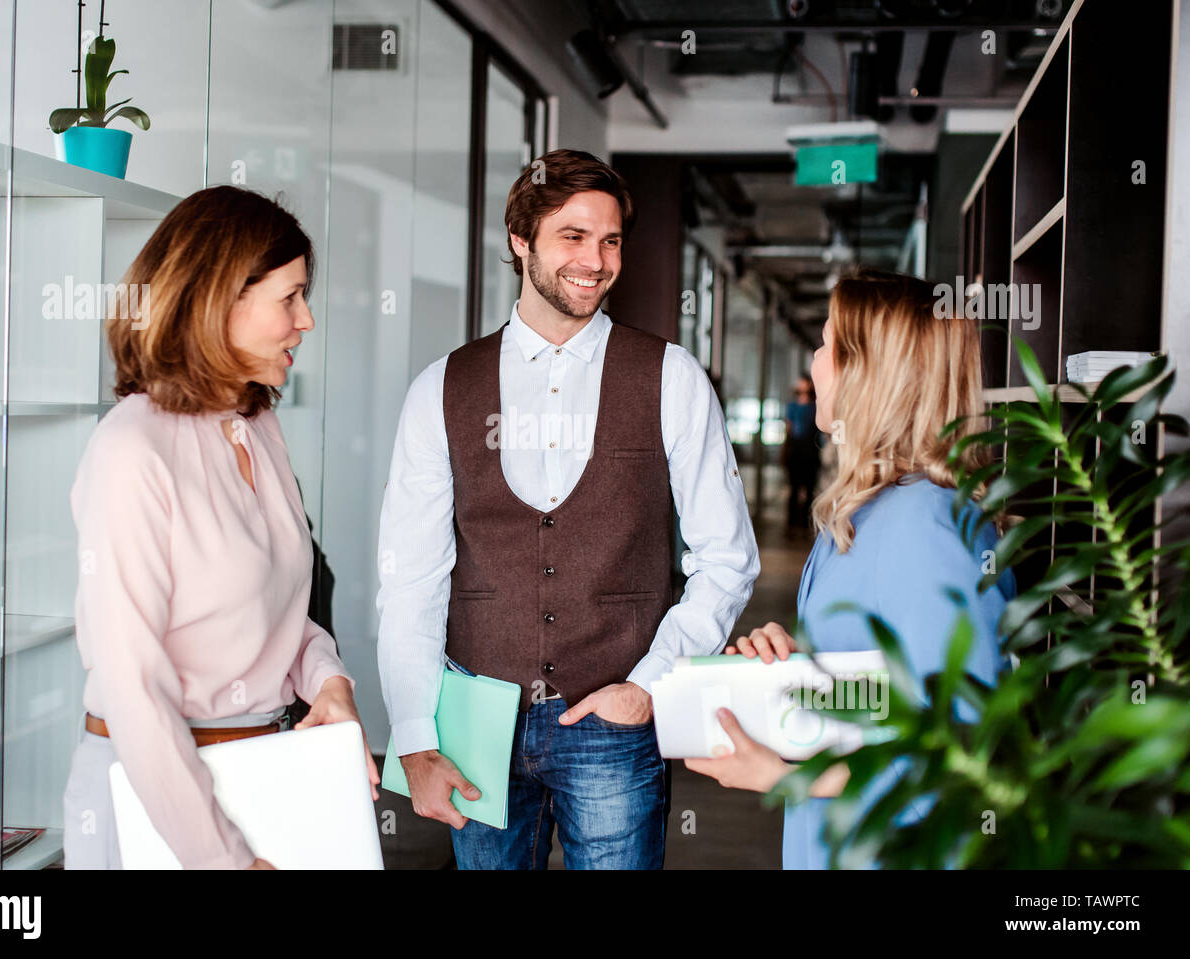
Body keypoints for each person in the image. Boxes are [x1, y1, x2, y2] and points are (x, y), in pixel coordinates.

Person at [376, 148, 760, 869]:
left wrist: (650, 686)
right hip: (475, 718)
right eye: (573, 237)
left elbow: (727, 558)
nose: (597, 259)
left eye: (611, 240)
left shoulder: (670, 379)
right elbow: (411, 579)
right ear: (521, 241)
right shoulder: (442, 388)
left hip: (613, 721)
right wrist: (415, 734)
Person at [62, 186, 380, 870]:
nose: (307, 320)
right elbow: (132, 687)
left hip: (264, 780)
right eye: (289, 298)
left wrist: (328, 681)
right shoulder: (132, 450)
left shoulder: (257, 425)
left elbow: (281, 614)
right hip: (159, 804)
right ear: (219, 300)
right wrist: (222, 860)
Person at [684, 268, 1016, 869]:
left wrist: (782, 776)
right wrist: (797, 666)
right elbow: (887, 698)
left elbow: (961, 759)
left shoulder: (925, 528)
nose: (814, 361)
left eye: (828, 342)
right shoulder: (870, 511)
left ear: (867, 374)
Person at [783, 374, 821, 532]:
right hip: (796, 450)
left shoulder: (815, 406)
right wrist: (785, 449)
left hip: (811, 450)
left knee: (810, 488)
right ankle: (791, 523)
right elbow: (788, 428)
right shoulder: (792, 406)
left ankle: (805, 523)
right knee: (794, 488)